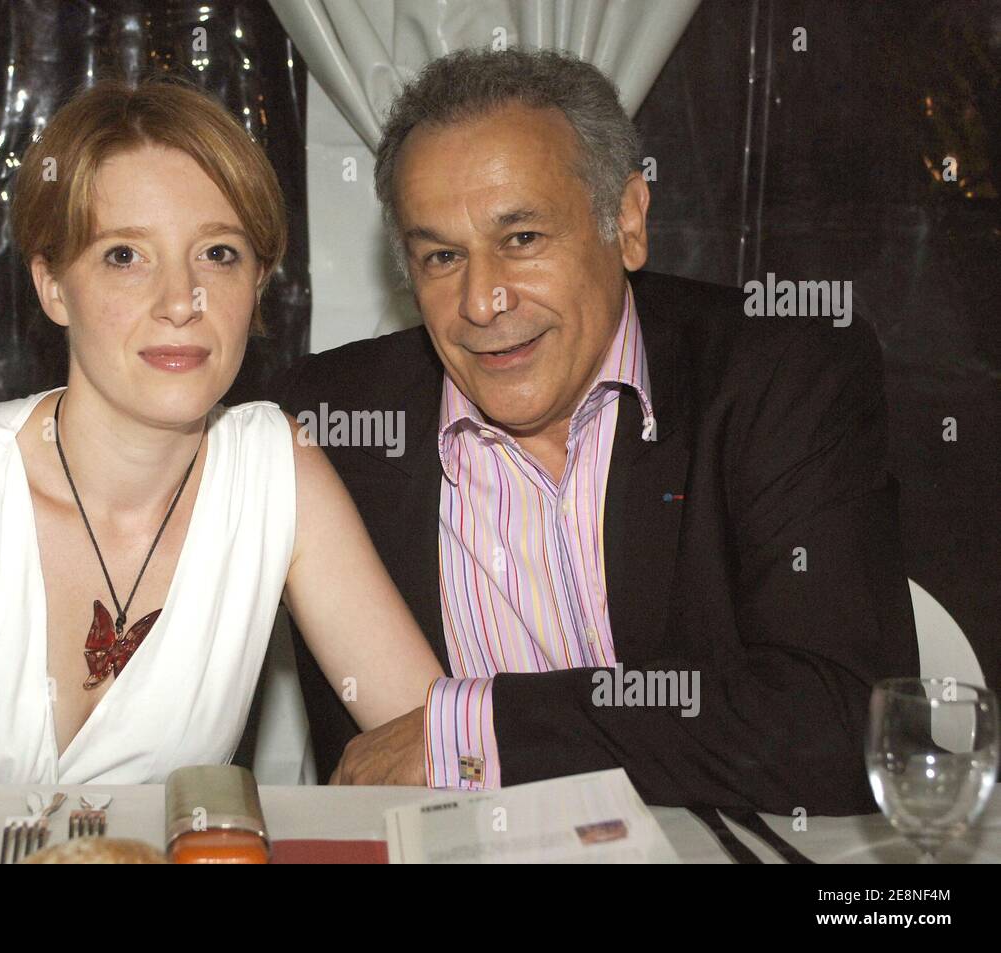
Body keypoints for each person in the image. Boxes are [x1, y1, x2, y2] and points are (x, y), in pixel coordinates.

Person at [284, 48, 918, 813]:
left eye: (522, 239)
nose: (482, 301)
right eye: (443, 256)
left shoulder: (780, 376)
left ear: (627, 221)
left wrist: (478, 731)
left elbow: (847, 724)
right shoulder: (329, 426)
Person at [0, 77, 443, 784]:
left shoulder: (275, 472)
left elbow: (437, 744)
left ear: (259, 283)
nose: (181, 301)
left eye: (218, 253)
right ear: (53, 285)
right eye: (124, 255)